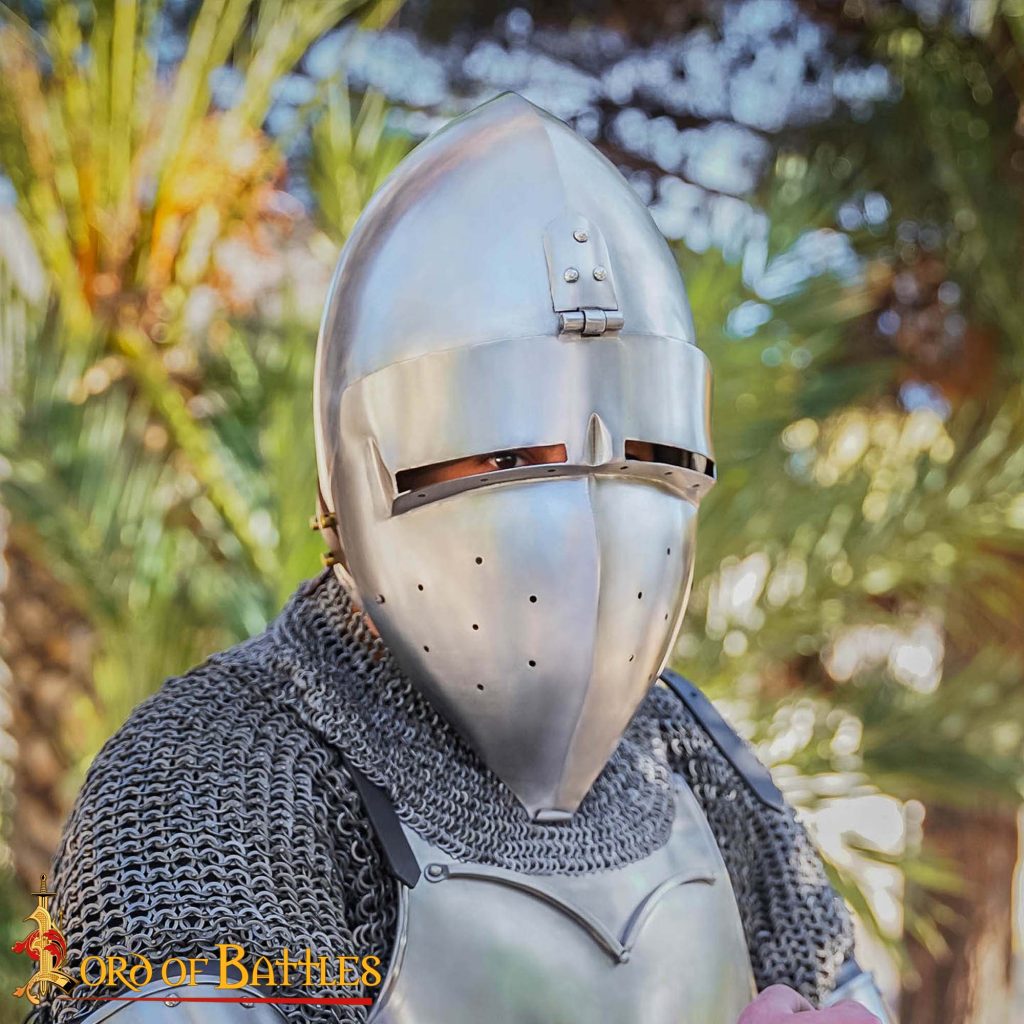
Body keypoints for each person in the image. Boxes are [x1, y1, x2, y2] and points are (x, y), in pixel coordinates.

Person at [39, 93, 890, 1024]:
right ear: (362, 478)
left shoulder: (685, 749)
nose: (590, 525)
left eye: (653, 458)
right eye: (512, 457)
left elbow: (841, 991)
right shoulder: (214, 773)